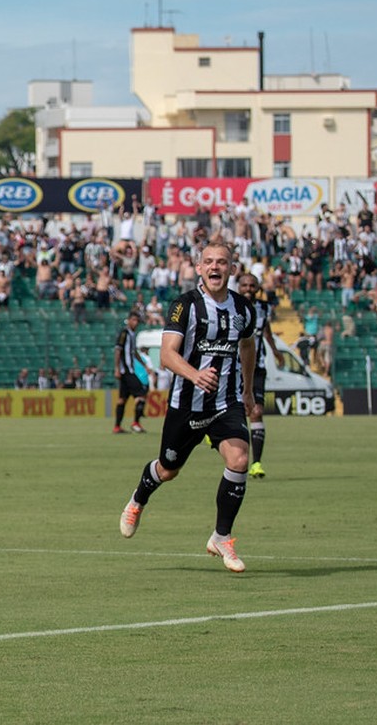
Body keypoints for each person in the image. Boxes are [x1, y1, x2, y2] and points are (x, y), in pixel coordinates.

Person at [118, 242, 257, 573]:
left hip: (226, 402)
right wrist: (195, 375)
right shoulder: (185, 306)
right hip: (187, 405)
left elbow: (248, 345)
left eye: (221, 262)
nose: (215, 267)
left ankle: (221, 536)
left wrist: (249, 389)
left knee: (239, 459)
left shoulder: (243, 308)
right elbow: (167, 355)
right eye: (208, 261)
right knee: (168, 470)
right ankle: (138, 499)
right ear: (198, 268)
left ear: (232, 269)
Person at [237, 273, 284, 479]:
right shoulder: (231, 304)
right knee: (234, 412)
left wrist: (275, 351)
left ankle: (256, 463)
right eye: (245, 285)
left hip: (258, 366)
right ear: (239, 287)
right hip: (234, 366)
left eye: (252, 285)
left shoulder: (264, 307)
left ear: (257, 288)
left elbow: (266, 331)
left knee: (256, 411)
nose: (248, 289)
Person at [113, 311, 150, 434]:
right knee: (142, 394)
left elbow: (134, 352)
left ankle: (117, 427)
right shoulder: (124, 333)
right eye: (133, 320)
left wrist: (144, 365)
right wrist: (117, 368)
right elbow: (118, 350)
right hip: (127, 371)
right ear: (128, 320)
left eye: (137, 321)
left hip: (127, 372)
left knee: (122, 399)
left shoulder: (133, 334)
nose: (135, 323)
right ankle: (135, 423)